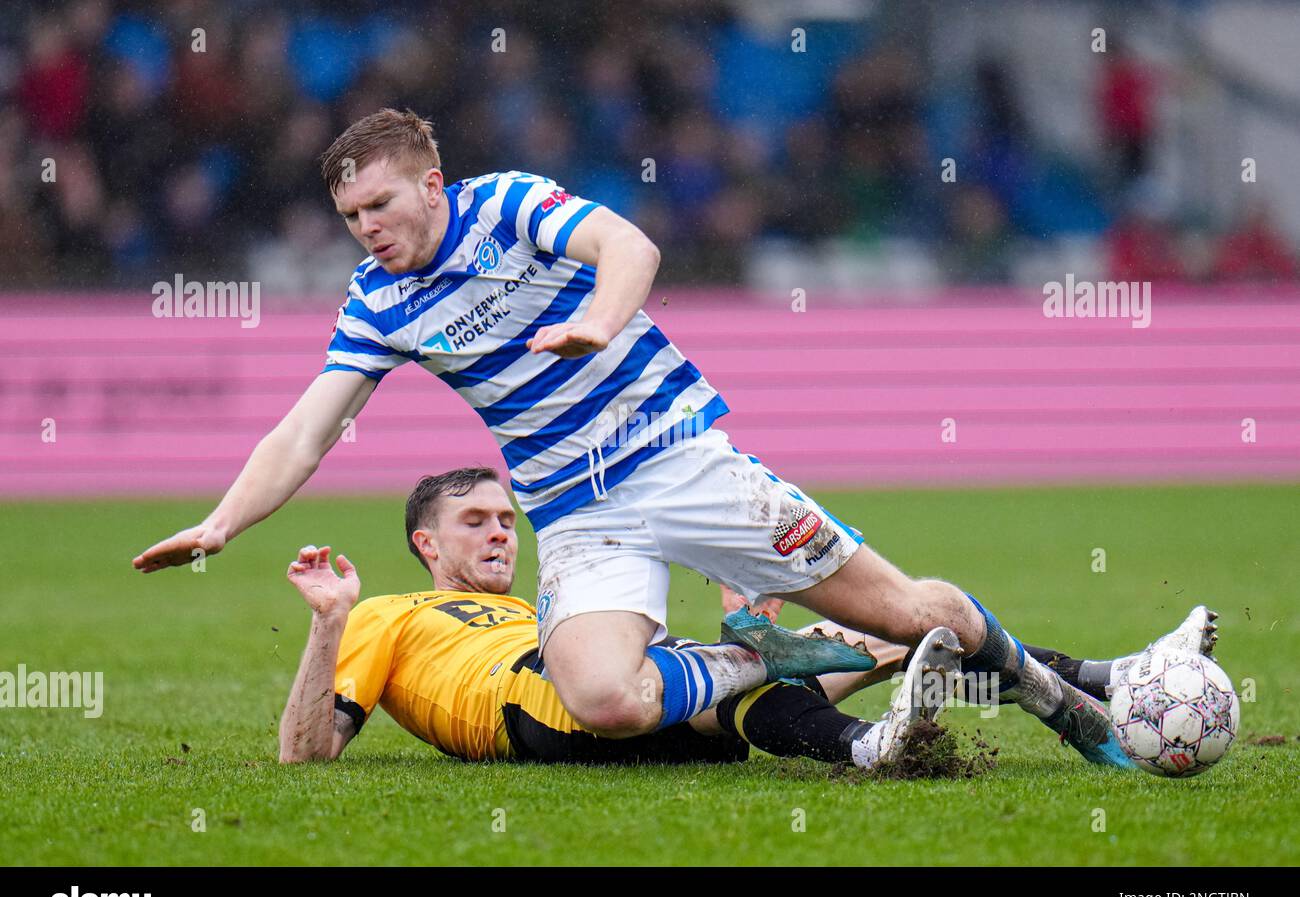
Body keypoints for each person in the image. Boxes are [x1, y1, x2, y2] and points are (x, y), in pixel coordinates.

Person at [137, 107, 1145, 767]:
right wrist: (224, 520)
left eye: (380, 204)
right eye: (350, 213)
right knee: (603, 696)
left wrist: (598, 320)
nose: (366, 227)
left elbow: (631, 243)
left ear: (433, 181)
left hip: (682, 465)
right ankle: (769, 655)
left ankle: (1062, 704)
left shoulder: (509, 206)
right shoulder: (375, 301)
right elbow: (309, 426)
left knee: (910, 606)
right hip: (578, 514)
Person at [278, 467, 1219, 770]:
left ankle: (1115, 678)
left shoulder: (544, 604)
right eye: (472, 523)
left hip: (627, 681)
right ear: (423, 545)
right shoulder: (390, 614)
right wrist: (329, 622)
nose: (498, 535)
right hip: (535, 711)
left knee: (900, 632)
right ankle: (864, 748)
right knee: (737, 677)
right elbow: (306, 756)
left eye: (505, 520)